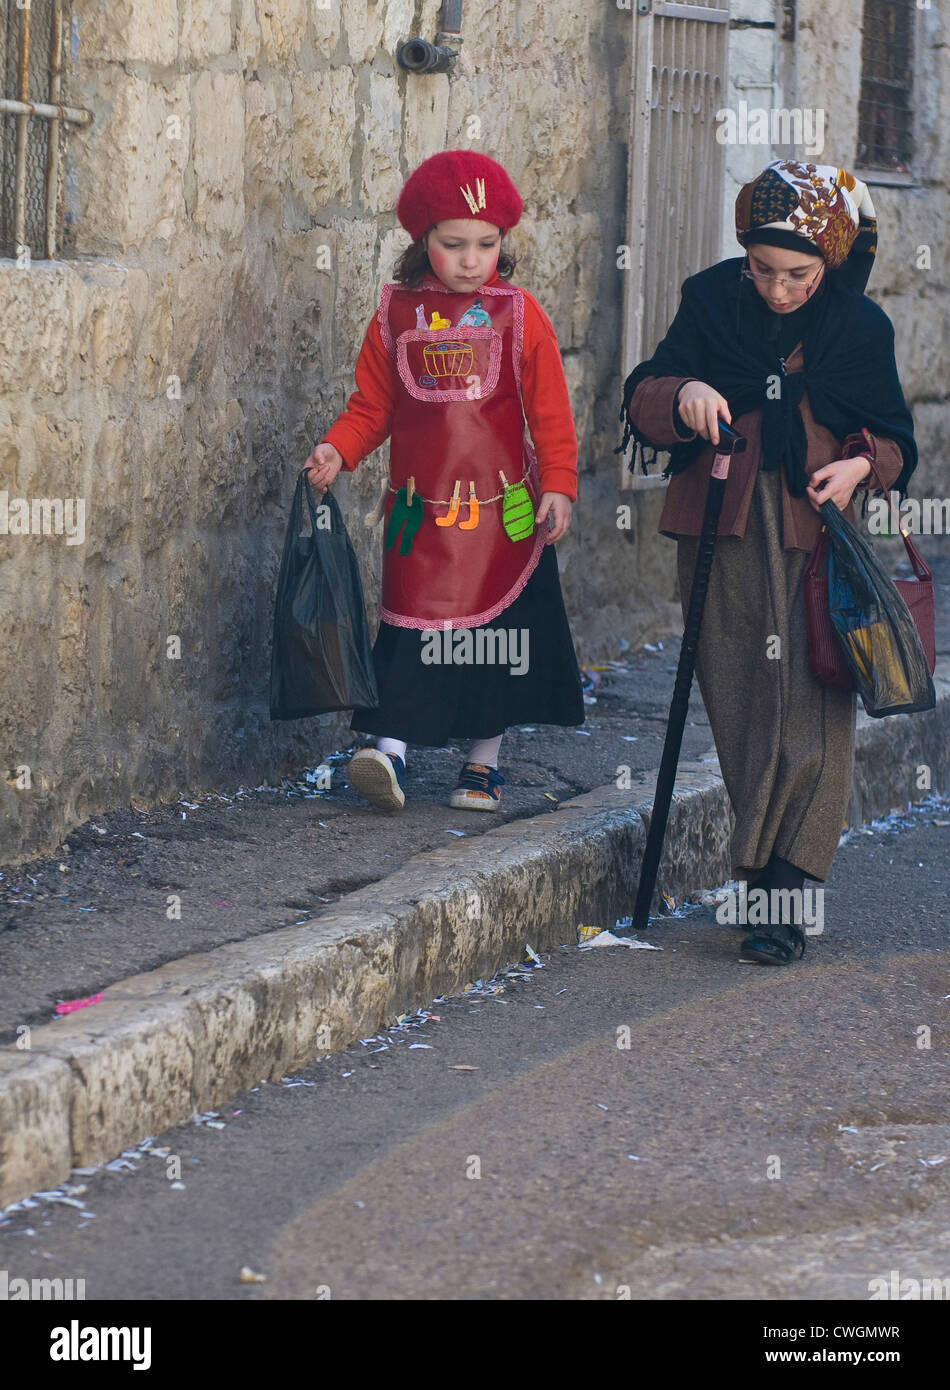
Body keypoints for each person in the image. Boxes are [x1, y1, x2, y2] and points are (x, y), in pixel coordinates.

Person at [618, 160, 917, 965]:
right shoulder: (713, 299)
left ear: (831, 260)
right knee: (746, 707)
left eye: (798, 275)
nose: (778, 290)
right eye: (763, 270)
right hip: (719, 525)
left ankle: (786, 892)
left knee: (816, 712)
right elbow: (644, 392)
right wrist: (682, 396)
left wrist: (862, 468)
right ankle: (757, 876)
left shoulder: (859, 329)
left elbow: (896, 440)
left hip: (819, 536)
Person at [303, 150, 584, 812]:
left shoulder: (520, 314)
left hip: (501, 520)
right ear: (421, 239)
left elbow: (550, 410)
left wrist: (560, 482)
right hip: (420, 516)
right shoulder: (394, 314)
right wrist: (336, 451)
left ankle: (482, 766)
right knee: (410, 631)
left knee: (494, 640)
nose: (469, 259)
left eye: (486, 245)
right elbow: (373, 406)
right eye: (453, 244)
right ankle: (389, 750)